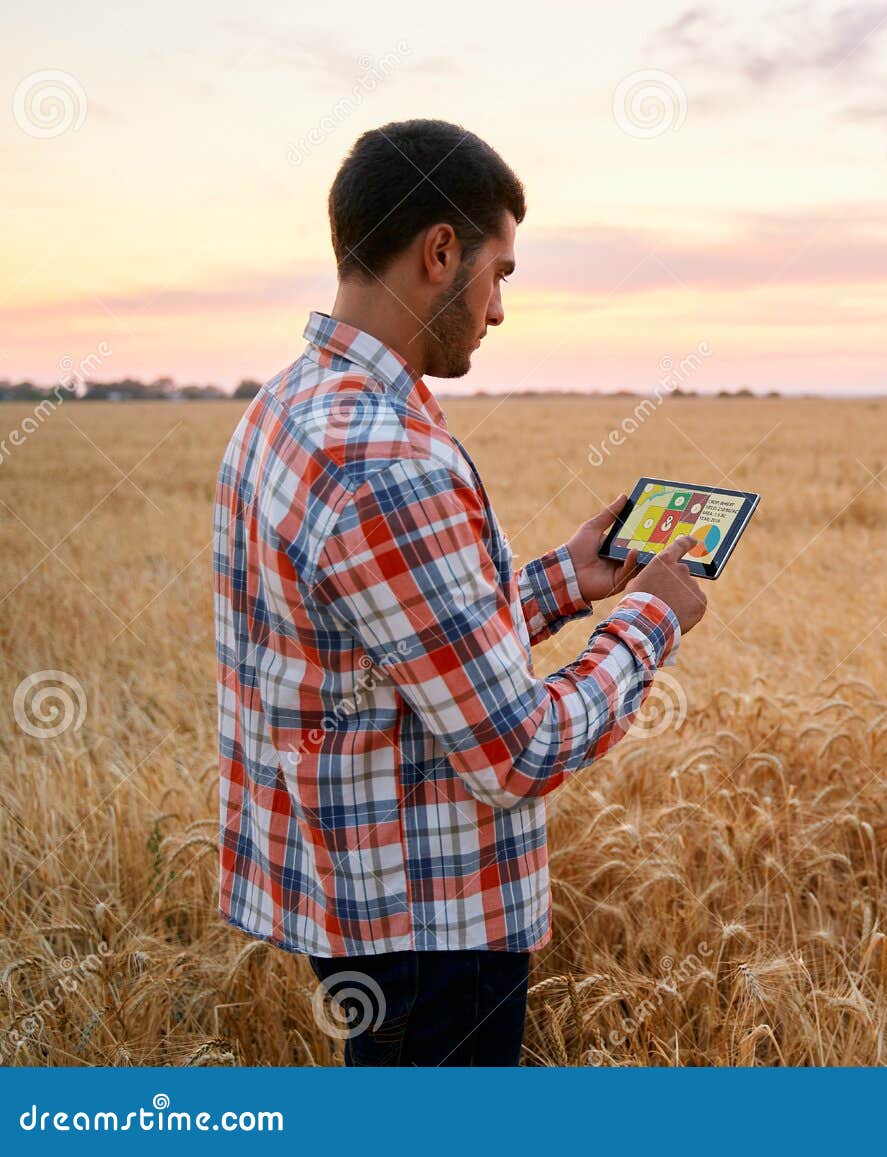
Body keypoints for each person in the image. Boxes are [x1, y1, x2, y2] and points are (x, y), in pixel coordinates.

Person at [211, 119, 707, 1066]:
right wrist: (651, 619)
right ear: (441, 251)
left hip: (353, 901)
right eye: (502, 272)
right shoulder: (386, 459)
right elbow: (520, 748)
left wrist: (567, 581)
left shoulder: (289, 406)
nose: (500, 309)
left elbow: (399, 651)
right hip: (433, 928)